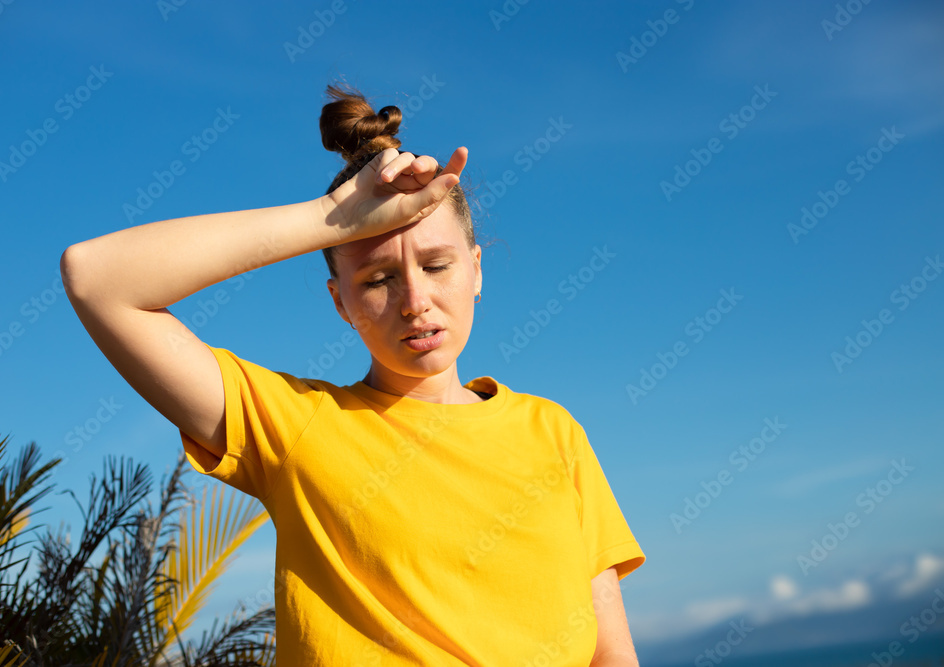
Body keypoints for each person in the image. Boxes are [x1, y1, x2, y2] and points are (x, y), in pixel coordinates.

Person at [61, 82, 646, 666]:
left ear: (476, 270)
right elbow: (96, 278)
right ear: (339, 301)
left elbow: (610, 651)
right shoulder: (296, 426)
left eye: (437, 265)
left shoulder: (554, 431)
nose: (415, 301)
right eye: (377, 279)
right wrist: (329, 218)